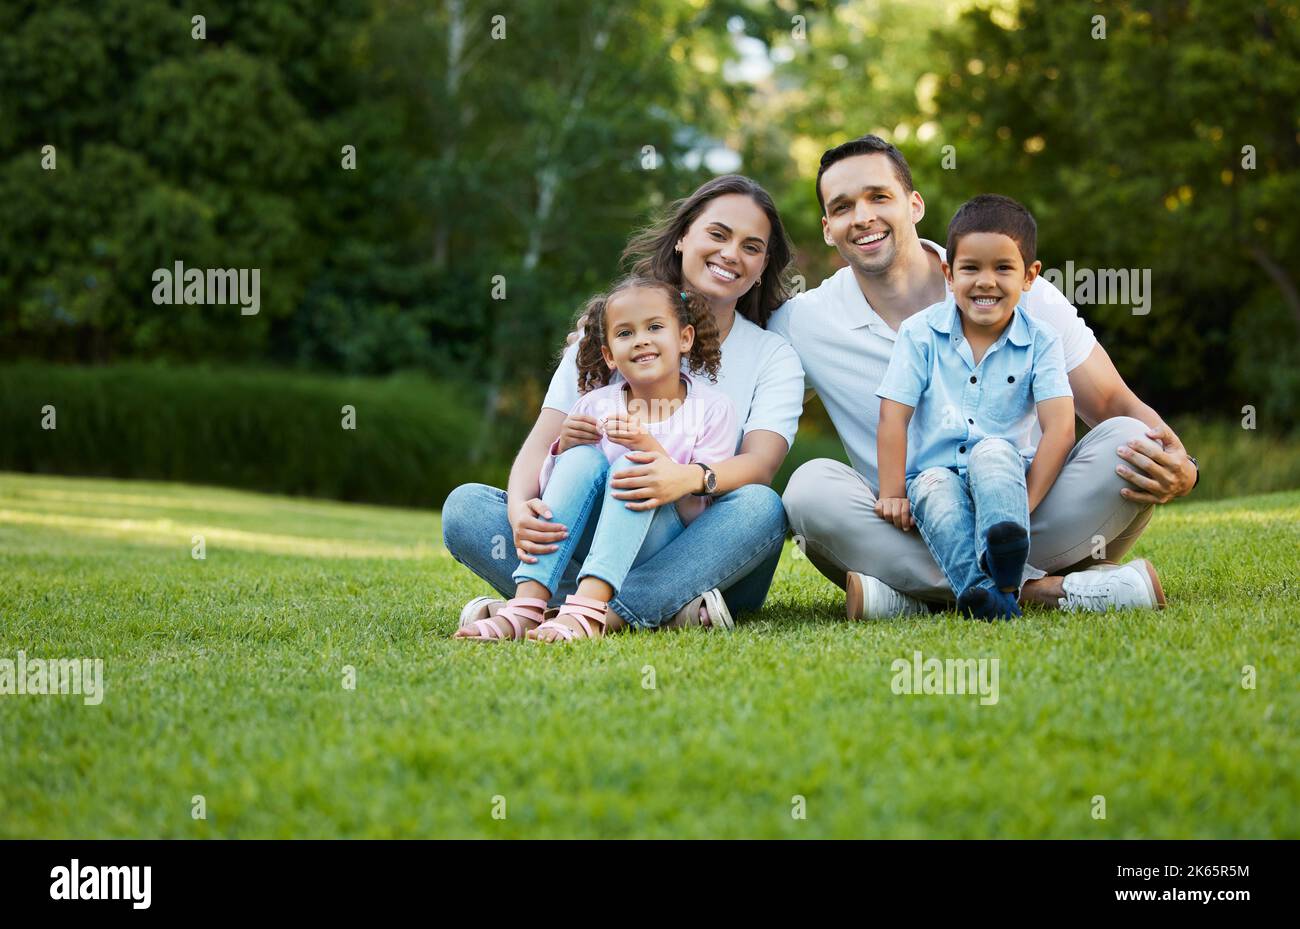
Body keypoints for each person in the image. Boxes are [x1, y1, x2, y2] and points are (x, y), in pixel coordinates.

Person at [772, 135, 1190, 617]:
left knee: (1133, 439)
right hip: (911, 524)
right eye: (843, 207)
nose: (862, 216)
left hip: (1030, 515)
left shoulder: (1014, 287)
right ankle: (1044, 592)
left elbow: (1111, 399)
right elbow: (734, 384)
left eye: (878, 197)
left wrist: (1186, 465)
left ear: (914, 204)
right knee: (808, 490)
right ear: (828, 229)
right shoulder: (805, 322)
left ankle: (913, 596)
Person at [442, 175, 804, 634]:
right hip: (595, 532)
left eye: (751, 247)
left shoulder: (773, 356)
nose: (731, 253)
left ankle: (574, 608)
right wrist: (519, 510)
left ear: (762, 264)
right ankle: (640, 610)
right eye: (717, 234)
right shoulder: (609, 334)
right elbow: (541, 446)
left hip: (702, 548)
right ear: (682, 238)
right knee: (466, 508)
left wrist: (684, 478)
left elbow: (759, 465)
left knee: (761, 508)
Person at [457, 278, 737, 642]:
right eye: (625, 333)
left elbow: (698, 509)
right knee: (580, 459)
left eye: (655, 327)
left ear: (684, 338)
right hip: (594, 545)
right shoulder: (595, 404)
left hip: (662, 550)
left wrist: (647, 446)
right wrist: (563, 449)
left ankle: (587, 610)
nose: (641, 339)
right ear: (609, 355)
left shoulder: (712, 409)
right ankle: (528, 605)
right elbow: (563, 498)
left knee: (633, 467)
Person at [875, 195, 1079, 620]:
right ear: (949, 274)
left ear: (1029, 276)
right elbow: (894, 416)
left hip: (1004, 480)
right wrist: (894, 492)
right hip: (936, 473)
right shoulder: (920, 334)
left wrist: (1024, 507)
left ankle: (1005, 546)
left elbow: (1060, 428)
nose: (986, 281)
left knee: (993, 450)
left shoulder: (1041, 340)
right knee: (933, 487)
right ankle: (985, 592)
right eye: (971, 268)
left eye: (1003, 268)